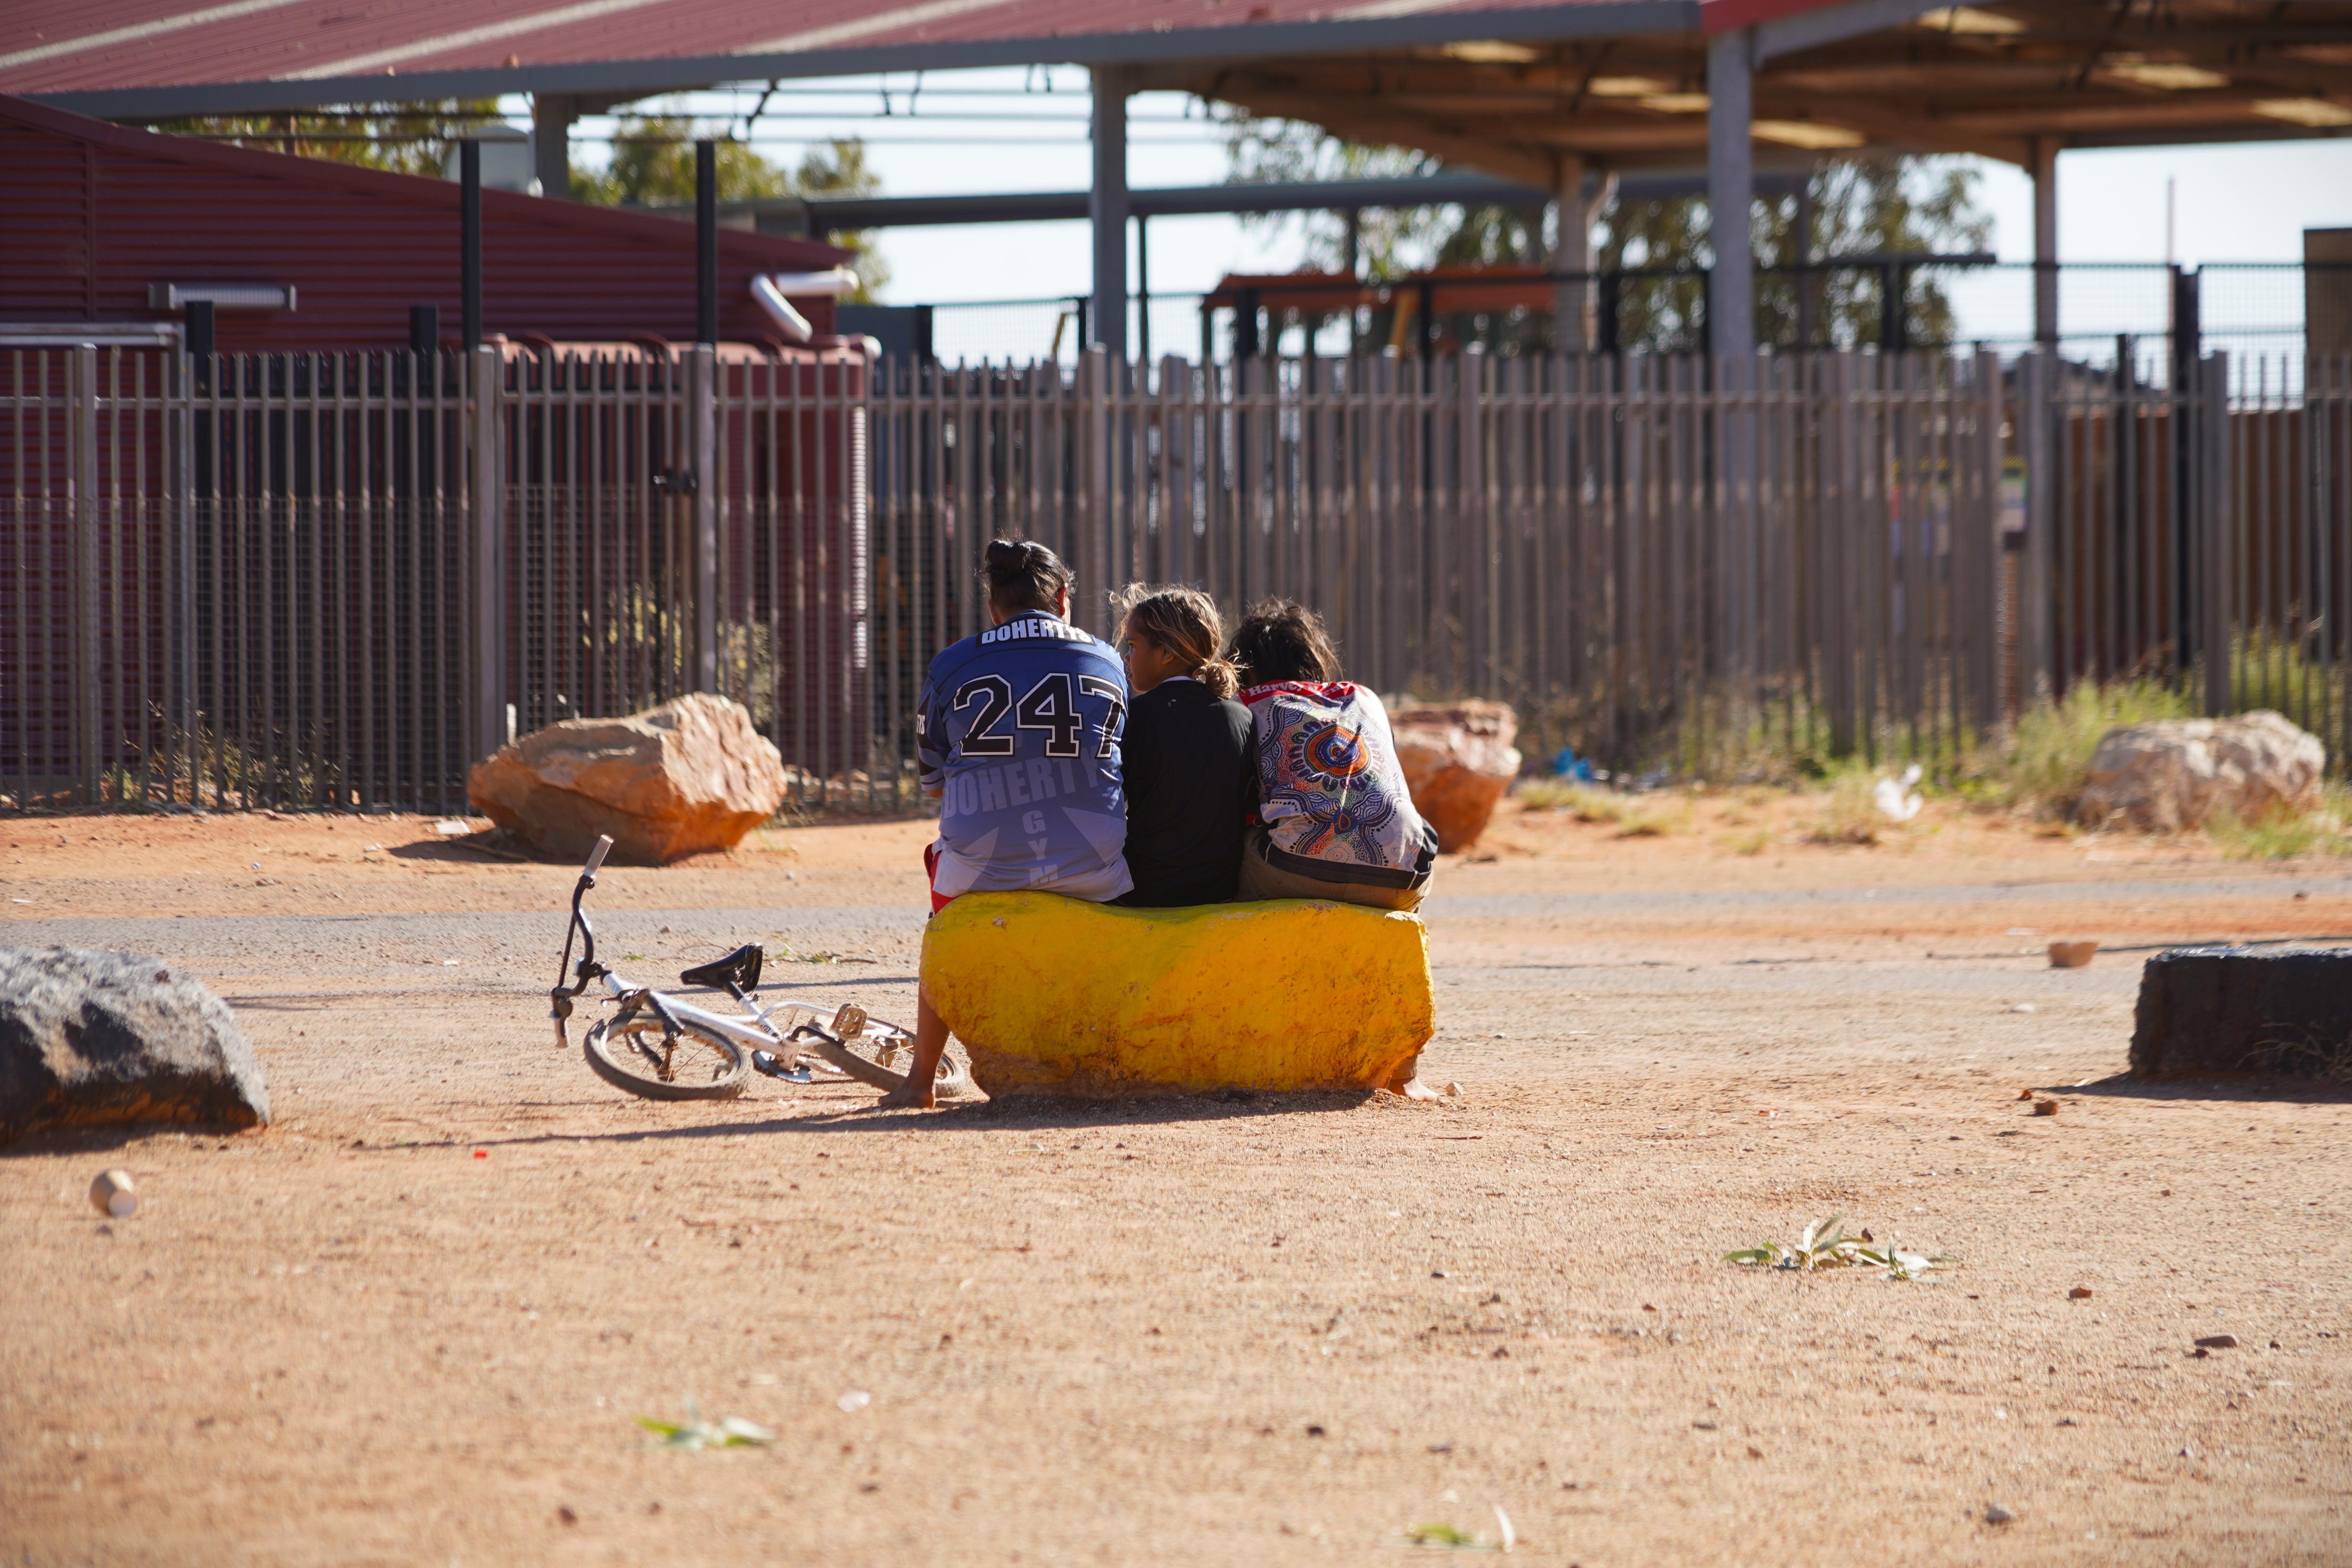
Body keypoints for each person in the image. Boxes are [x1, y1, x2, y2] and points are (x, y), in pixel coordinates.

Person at [876, 538, 1131, 1108]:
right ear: (1063, 597)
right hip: (1093, 867)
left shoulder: (951, 662)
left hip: (981, 867)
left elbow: (935, 779)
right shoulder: (1109, 659)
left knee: (938, 930)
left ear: (993, 606)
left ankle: (920, 1082)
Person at [1228, 598, 1436, 912]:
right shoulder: (1365, 698)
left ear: (1247, 668)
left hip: (1290, 873)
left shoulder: (1246, 704)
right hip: (1404, 882)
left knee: (1229, 850)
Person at [1108, 584, 1255, 908]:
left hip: (1146, 892)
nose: (1126, 658)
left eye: (1133, 646)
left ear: (1167, 653)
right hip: (1219, 891)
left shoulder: (1137, 716)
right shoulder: (1242, 718)